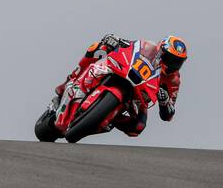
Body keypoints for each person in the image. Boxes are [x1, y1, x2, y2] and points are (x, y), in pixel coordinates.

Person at [54, 33, 187, 137]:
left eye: (177, 62)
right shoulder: (148, 47)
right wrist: (115, 40)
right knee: (98, 48)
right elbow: (131, 46)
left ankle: (108, 119)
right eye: (170, 59)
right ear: (161, 50)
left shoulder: (174, 80)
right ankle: (70, 81)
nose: (172, 64)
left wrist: (165, 102)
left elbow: (169, 115)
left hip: (139, 96)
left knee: (138, 127)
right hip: (122, 70)